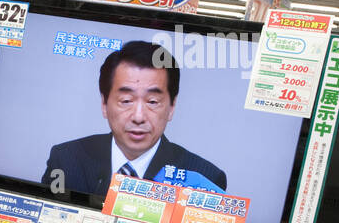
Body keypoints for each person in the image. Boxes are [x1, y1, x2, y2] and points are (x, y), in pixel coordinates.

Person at [42, 40, 227, 195]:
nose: (138, 117)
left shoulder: (205, 177)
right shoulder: (66, 159)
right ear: (104, 104)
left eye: (153, 101)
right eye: (126, 100)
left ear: (171, 107)